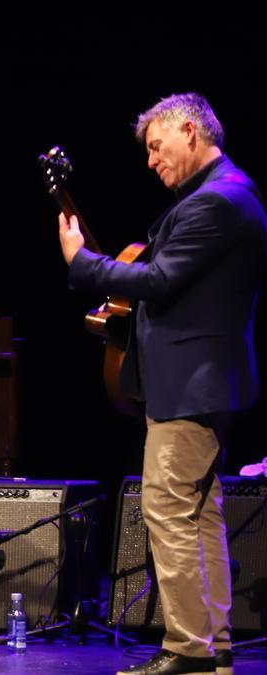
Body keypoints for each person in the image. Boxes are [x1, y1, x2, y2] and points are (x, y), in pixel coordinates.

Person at [59, 93, 266, 675]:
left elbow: (162, 278)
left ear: (190, 131)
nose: (151, 161)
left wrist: (82, 262)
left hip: (190, 387)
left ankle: (187, 649)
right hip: (205, 384)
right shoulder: (227, 194)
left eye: (156, 147)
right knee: (199, 514)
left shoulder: (216, 203)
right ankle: (212, 641)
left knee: (169, 510)